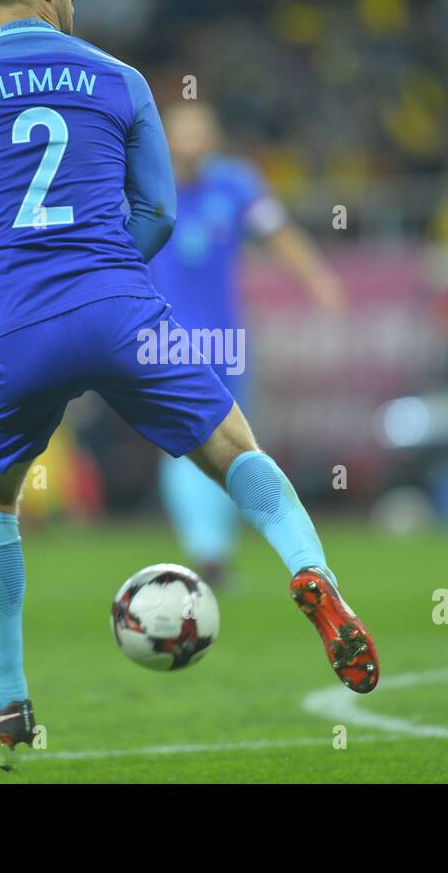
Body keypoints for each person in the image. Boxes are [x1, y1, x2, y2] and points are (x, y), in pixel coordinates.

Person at [0, 0, 378, 749]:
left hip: (10, 331)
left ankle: (9, 702)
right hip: (125, 314)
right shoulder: (120, 78)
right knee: (240, 453)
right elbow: (157, 213)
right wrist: (104, 278)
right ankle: (315, 575)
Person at [148, 100, 345, 590]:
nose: (190, 141)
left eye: (199, 131)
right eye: (182, 131)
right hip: (162, 338)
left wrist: (318, 279)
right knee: (183, 442)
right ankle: (207, 551)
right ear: (165, 138)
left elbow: (280, 235)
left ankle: (215, 552)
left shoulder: (236, 184)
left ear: (213, 138)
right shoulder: (145, 184)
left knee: (233, 443)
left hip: (224, 340)